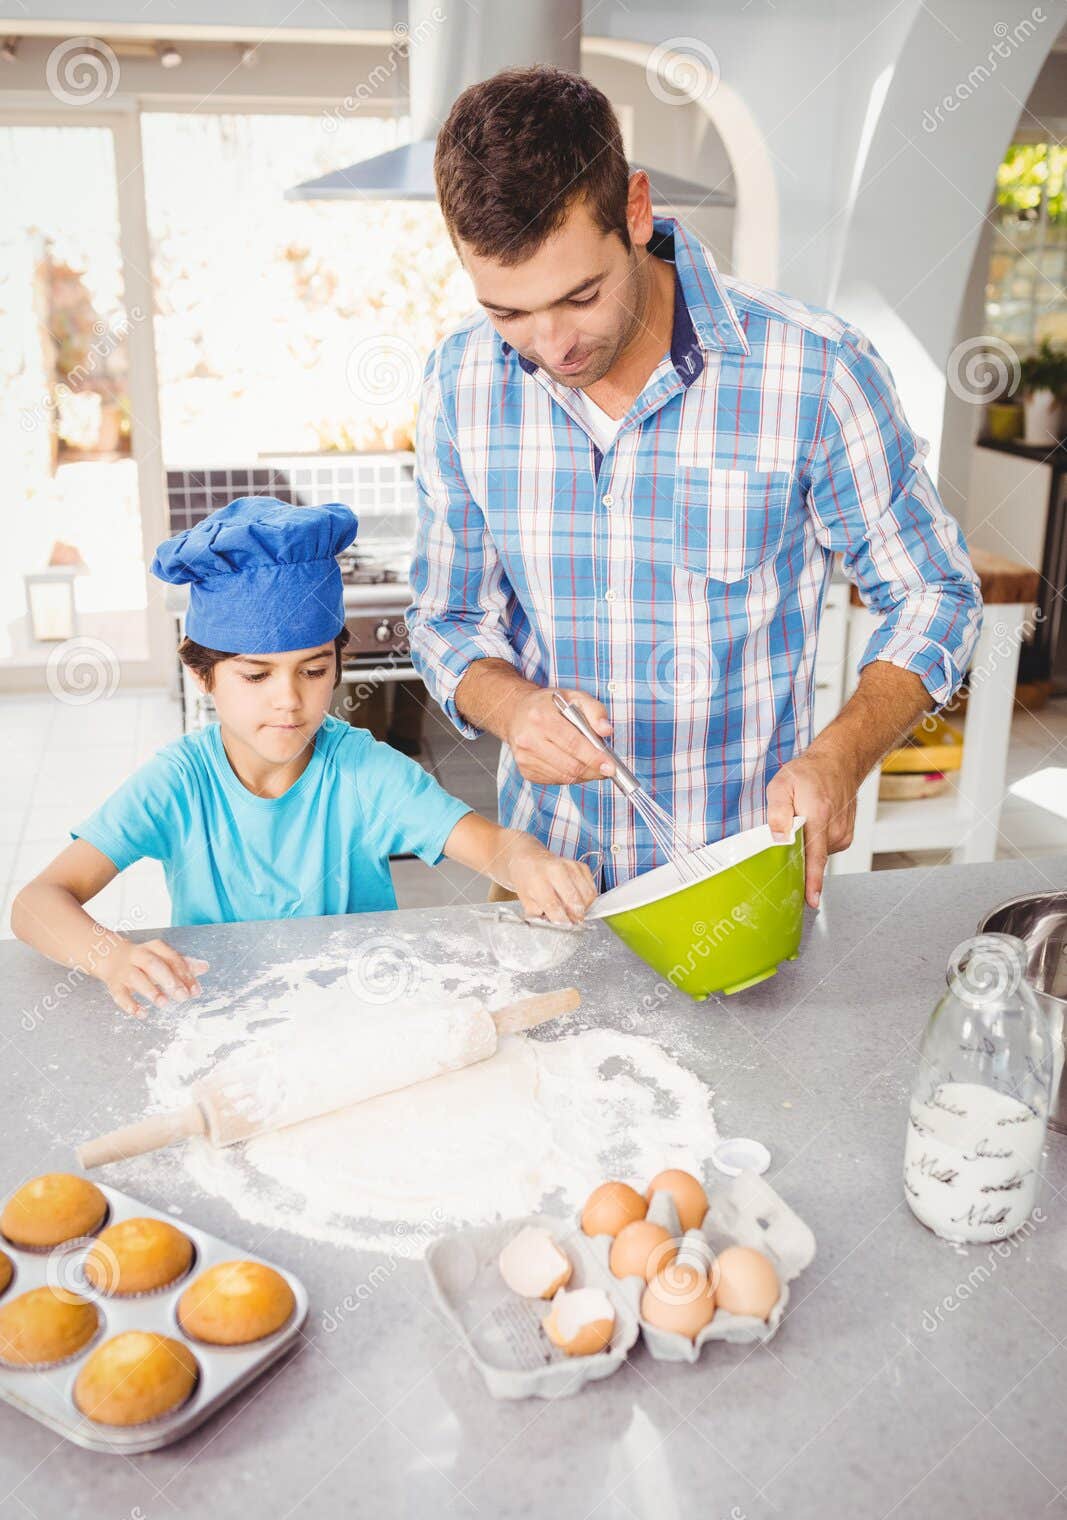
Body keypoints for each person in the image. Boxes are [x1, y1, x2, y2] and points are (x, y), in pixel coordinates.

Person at [408, 67, 983, 908]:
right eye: (508, 312)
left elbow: (933, 590)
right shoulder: (460, 382)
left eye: (580, 295)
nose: (551, 345)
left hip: (738, 887)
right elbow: (445, 617)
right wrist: (512, 709)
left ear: (634, 211)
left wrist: (841, 755)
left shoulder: (813, 372)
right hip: (545, 884)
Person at [11, 498, 596, 1018]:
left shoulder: (363, 771)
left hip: (357, 1015)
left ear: (338, 665)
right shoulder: (178, 784)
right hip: (219, 1021)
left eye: (313, 671)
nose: (288, 700)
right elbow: (36, 904)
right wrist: (110, 957)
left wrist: (528, 862)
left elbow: (493, 847)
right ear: (203, 675)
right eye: (256, 675)